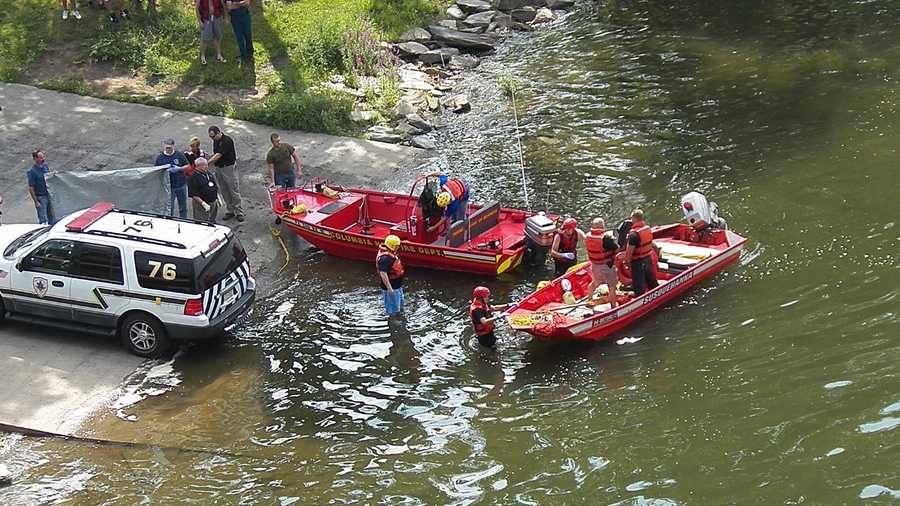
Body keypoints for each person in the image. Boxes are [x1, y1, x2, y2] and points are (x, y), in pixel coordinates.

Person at [207, 125, 244, 222]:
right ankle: (230, 210)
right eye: (211, 137)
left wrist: (207, 163)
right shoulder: (216, 140)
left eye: (213, 136)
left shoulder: (227, 141)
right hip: (219, 168)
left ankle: (239, 211)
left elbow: (218, 155)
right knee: (224, 190)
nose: (212, 139)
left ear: (219, 133)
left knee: (233, 190)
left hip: (228, 168)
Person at [584, 218, 619, 308]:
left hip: (595, 265)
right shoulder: (606, 238)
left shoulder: (587, 236)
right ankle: (613, 307)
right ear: (602, 226)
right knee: (612, 286)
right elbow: (617, 249)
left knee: (595, 283)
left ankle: (589, 300)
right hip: (606, 265)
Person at [624, 209, 659, 296]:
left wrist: (627, 263)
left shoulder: (633, 235)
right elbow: (652, 245)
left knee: (638, 285)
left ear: (634, 219)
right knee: (651, 280)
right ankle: (656, 293)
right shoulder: (647, 229)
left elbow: (629, 253)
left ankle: (640, 298)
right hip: (647, 258)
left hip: (637, 262)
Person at [155, 139, 191, 219]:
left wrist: (179, 168)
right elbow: (156, 172)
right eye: (167, 148)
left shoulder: (179, 155)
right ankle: (170, 220)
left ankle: (183, 220)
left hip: (181, 185)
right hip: (168, 187)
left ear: (173, 146)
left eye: (170, 148)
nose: (168, 150)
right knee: (169, 207)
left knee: (183, 206)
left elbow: (188, 167)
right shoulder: (160, 158)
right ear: (164, 147)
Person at [376, 235, 405, 316]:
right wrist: (389, 288)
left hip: (397, 285)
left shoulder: (391, 253)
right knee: (393, 309)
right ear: (391, 246)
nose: (398, 248)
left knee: (399, 305)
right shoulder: (385, 259)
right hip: (392, 287)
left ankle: (399, 314)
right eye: (396, 246)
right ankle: (393, 320)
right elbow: (383, 273)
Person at [188, 157, 218, 222]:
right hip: (201, 204)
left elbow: (214, 185)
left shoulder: (208, 173)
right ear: (199, 166)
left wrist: (217, 197)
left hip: (213, 201)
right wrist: (203, 204)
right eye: (205, 165)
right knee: (202, 222)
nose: (207, 167)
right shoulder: (193, 177)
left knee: (212, 220)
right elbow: (193, 194)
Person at [196, 0, 226, 65]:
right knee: (205, 38)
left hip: (216, 17)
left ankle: (219, 55)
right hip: (206, 18)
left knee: (216, 36)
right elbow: (197, 8)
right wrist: (200, 21)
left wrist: (224, 17)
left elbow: (222, 4)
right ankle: (202, 56)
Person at [225, 0, 254, 68]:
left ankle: (250, 54)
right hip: (235, 18)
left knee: (248, 35)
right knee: (239, 38)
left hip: (245, 15)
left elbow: (247, 3)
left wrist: (236, 4)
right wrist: (241, 4)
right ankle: (243, 56)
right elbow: (229, 7)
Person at [27, 150, 52, 225]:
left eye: (43, 157)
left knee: (51, 216)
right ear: (35, 159)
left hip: (48, 195)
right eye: (41, 158)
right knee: (43, 218)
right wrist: (36, 202)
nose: (43, 159)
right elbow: (31, 187)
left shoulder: (45, 166)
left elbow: (49, 177)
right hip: (41, 197)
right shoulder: (32, 172)